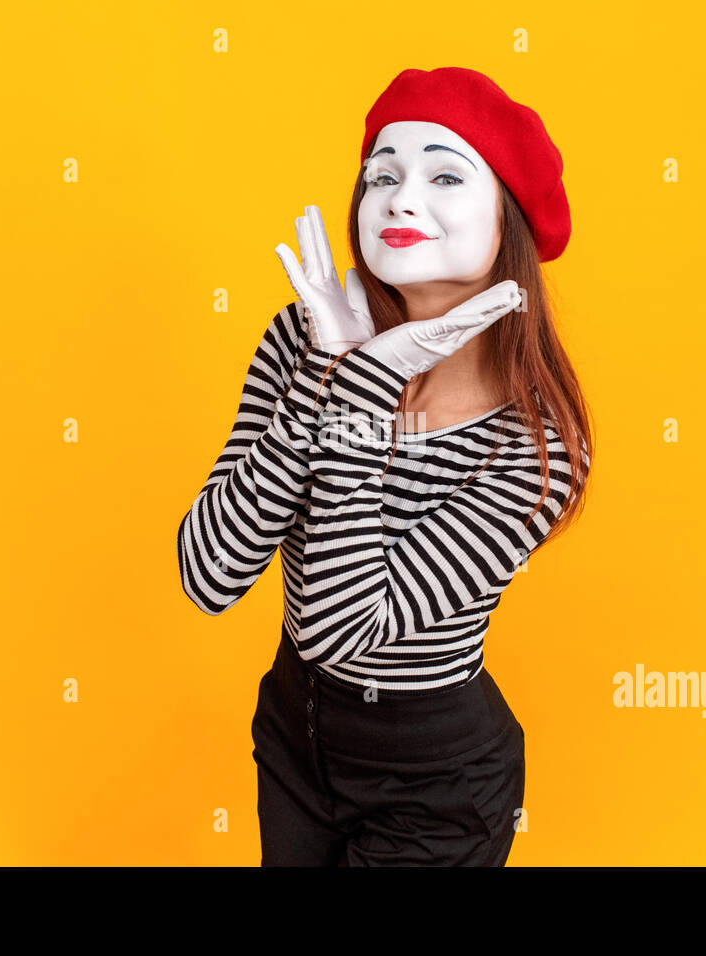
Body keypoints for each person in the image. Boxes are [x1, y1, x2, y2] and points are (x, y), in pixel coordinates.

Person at [177, 66, 593, 865]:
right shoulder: (305, 339)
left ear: (507, 220)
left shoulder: (537, 446)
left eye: (444, 174)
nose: (401, 198)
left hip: (435, 781)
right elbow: (210, 574)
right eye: (382, 174)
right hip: (296, 735)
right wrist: (323, 369)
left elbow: (342, 628)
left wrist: (362, 384)